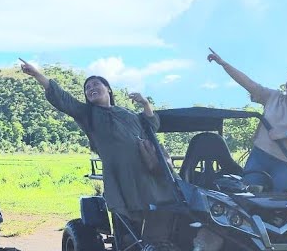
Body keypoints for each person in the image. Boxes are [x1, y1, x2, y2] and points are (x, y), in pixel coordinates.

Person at [19, 60, 175, 221]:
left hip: (146, 171)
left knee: (162, 211)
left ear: (108, 88)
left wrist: (145, 103)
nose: (91, 88)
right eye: (87, 88)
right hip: (121, 175)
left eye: (95, 84)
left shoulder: (127, 113)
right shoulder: (87, 114)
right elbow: (61, 98)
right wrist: (37, 74)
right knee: (130, 218)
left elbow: (152, 125)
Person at [206, 48, 287, 192]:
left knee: (280, 204)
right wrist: (223, 63)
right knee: (248, 199)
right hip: (259, 157)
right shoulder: (273, 97)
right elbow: (249, 84)